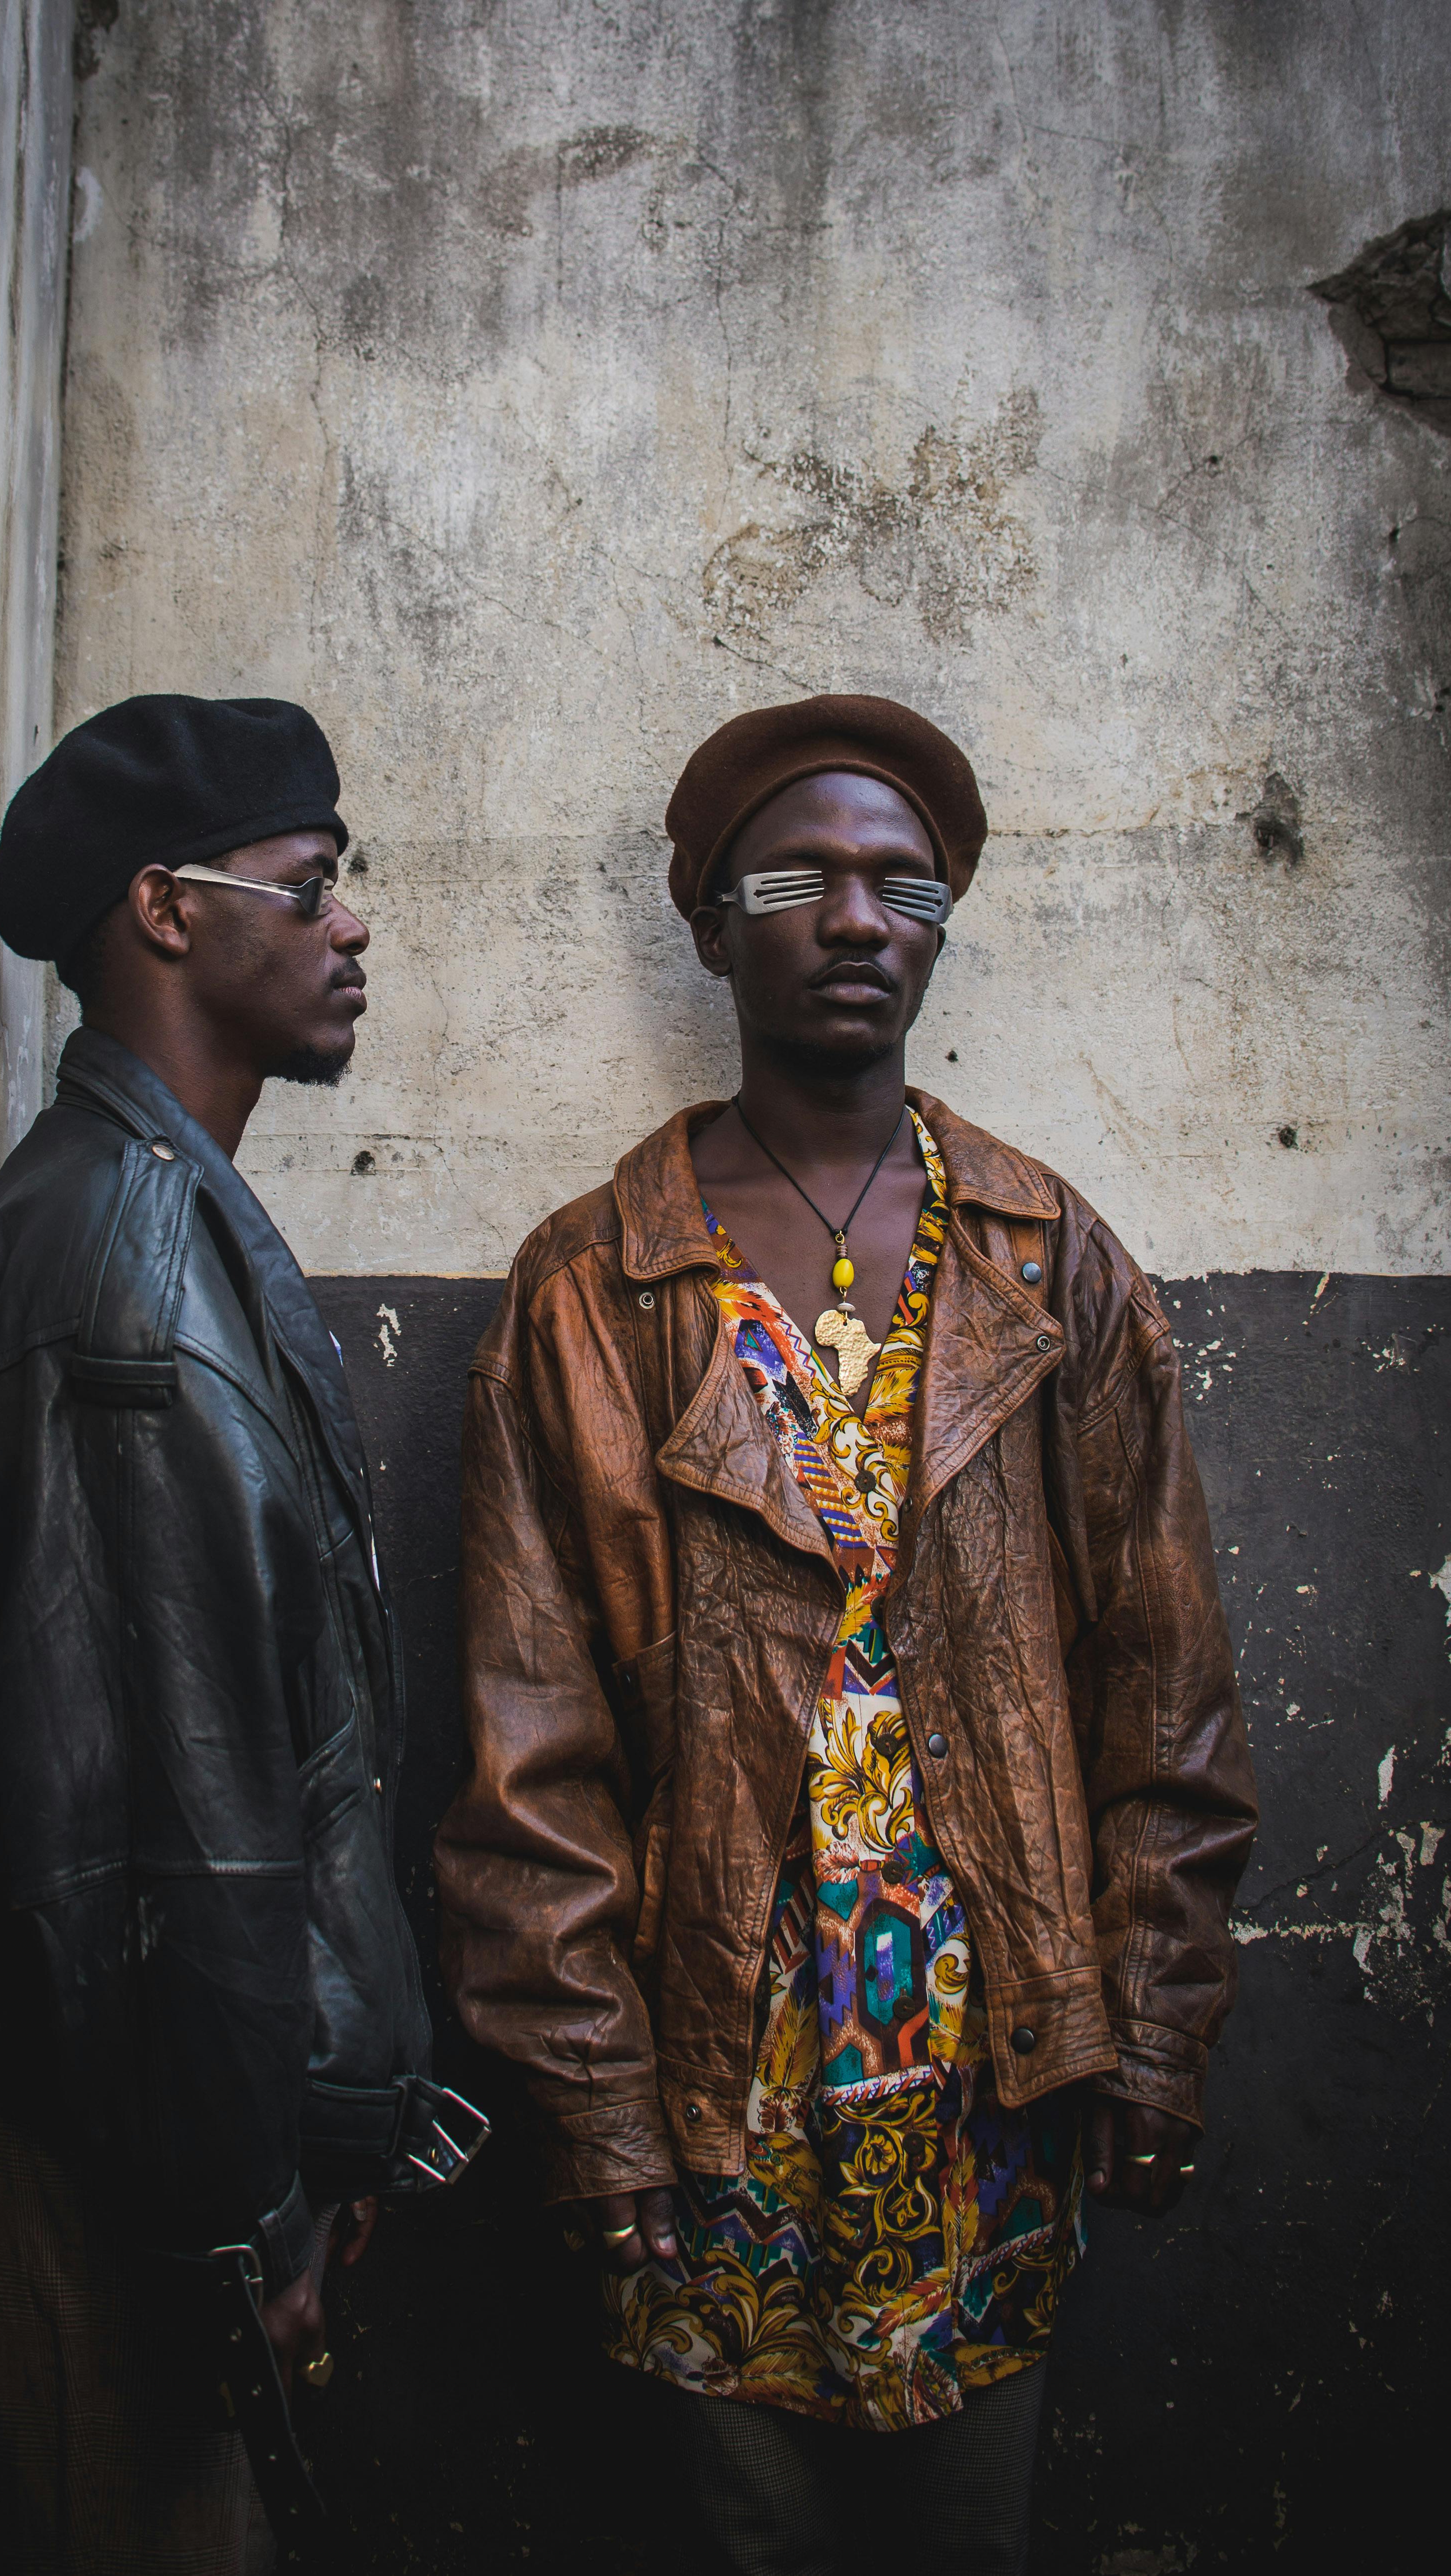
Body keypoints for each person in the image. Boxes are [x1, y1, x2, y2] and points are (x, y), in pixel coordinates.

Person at [436, 696, 1257, 2575]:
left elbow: (1167, 1692)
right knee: (737, 2525)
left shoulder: (1048, 1261)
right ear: (714, 924)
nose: (854, 920)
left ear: (943, 922)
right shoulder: (592, 1286)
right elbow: (526, 1741)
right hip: (714, 2074)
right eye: (793, 879)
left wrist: (1149, 2033)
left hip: (996, 2074)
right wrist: (593, 2104)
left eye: (902, 884)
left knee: (968, 2524)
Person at [0, 695, 482, 2575]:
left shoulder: (169, 1208)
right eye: (310, 887)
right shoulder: (126, 1278)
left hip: (209, 2152)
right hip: (152, 2189)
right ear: (166, 912)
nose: (351, 927)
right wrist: (243, 2220)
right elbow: (156, 1822)